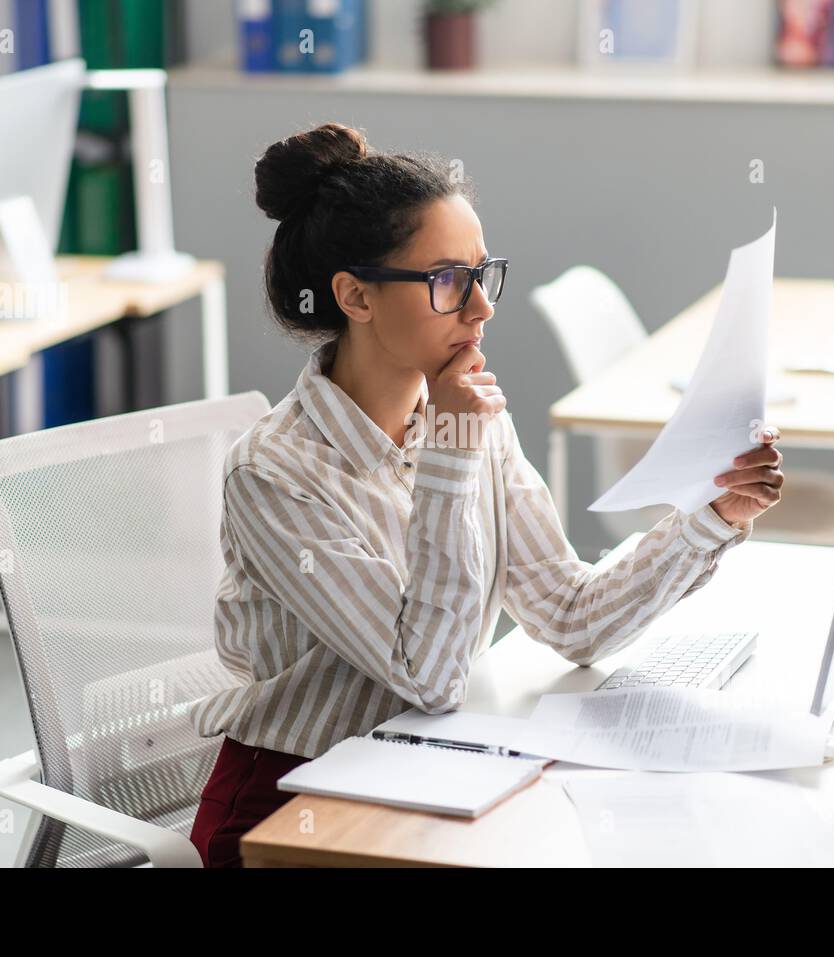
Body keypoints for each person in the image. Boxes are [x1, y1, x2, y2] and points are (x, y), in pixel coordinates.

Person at [187, 122, 785, 867]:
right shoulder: (275, 473)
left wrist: (711, 519)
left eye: (482, 272)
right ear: (355, 296)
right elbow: (429, 677)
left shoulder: (469, 420)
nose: (481, 307)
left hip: (428, 768)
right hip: (294, 810)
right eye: (446, 280)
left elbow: (570, 615)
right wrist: (452, 454)